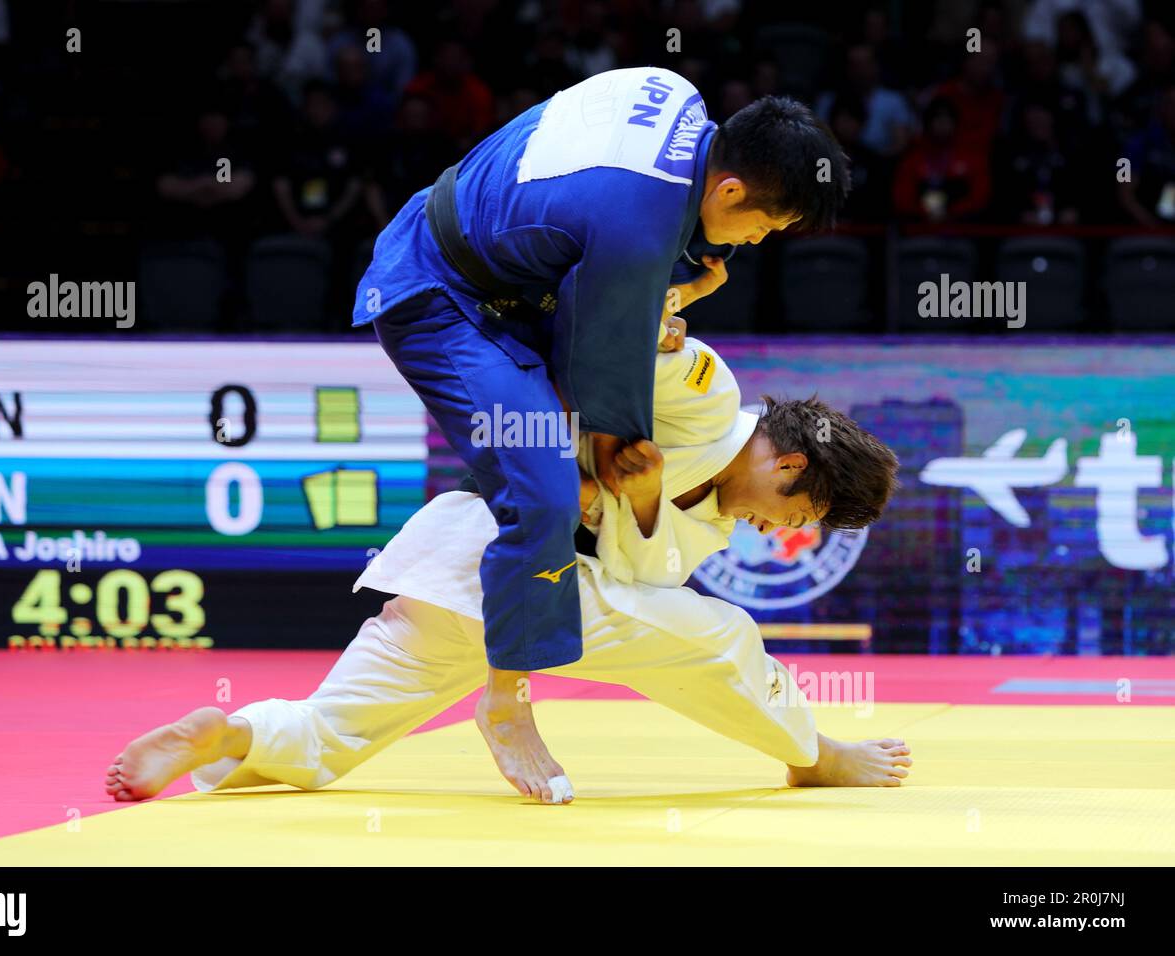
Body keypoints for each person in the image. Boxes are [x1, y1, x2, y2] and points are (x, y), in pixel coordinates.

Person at [106, 336, 908, 805]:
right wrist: (657, 323)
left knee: (330, 740)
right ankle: (814, 756)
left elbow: (638, 586)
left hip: (455, 580)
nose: (774, 528)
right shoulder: (707, 393)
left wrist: (652, 495)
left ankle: (224, 732)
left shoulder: (713, 523)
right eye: (793, 514)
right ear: (793, 462)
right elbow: (605, 346)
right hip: (496, 558)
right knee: (727, 634)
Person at [352, 66, 850, 802]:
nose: (755, 243)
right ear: (731, 190)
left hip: (496, 267)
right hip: (437, 296)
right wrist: (607, 454)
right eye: (765, 227)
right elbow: (599, 344)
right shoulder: (639, 229)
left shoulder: (676, 97)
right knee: (551, 493)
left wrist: (670, 289)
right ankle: (506, 703)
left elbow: (589, 248)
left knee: (559, 459)